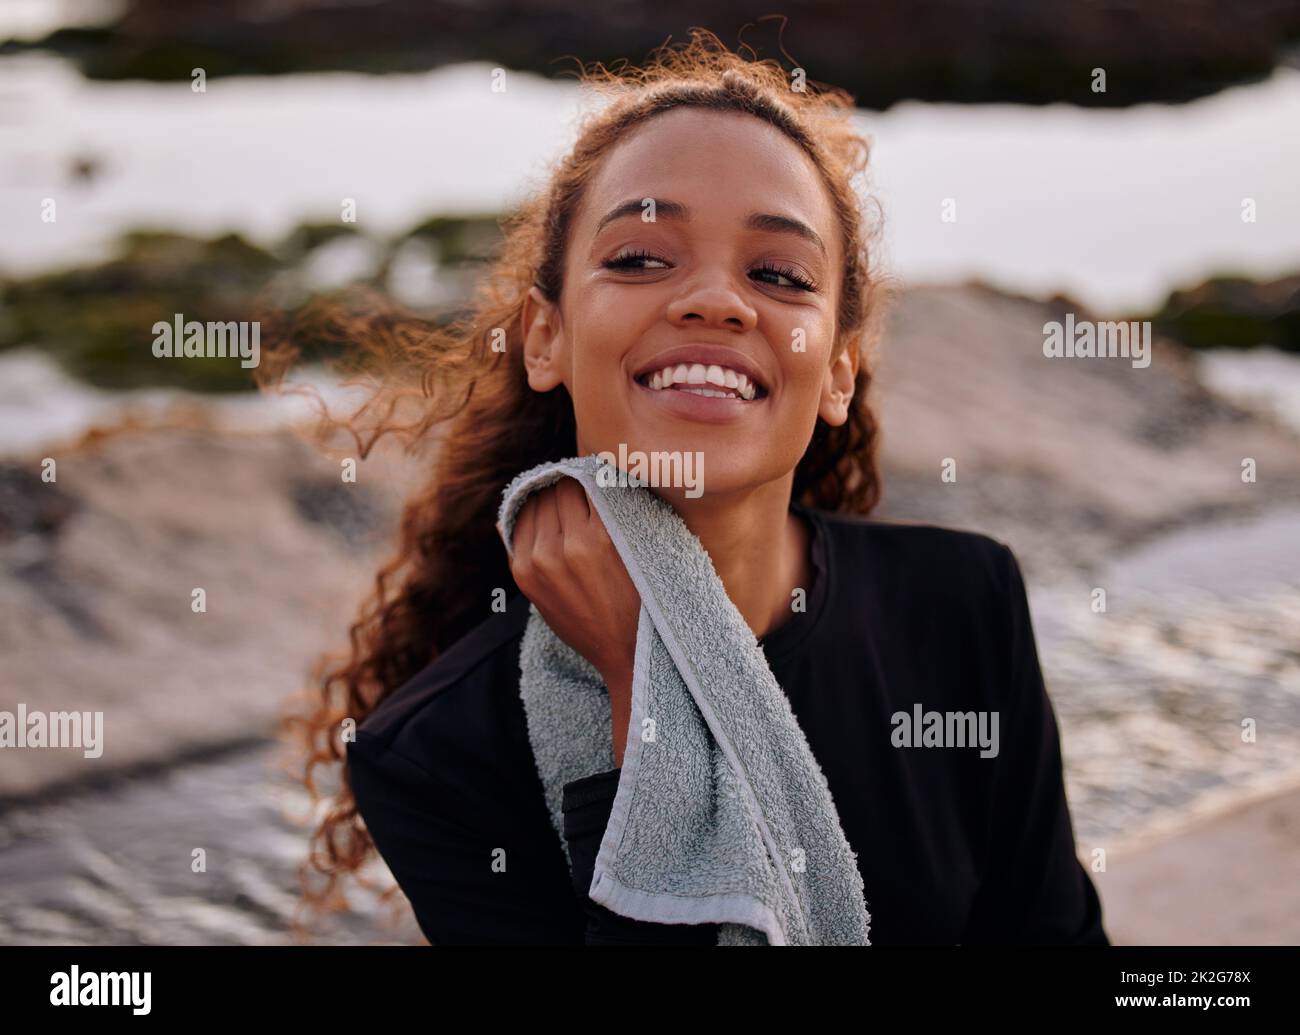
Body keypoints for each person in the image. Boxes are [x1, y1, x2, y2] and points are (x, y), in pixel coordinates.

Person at [269, 29, 1108, 946]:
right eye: (638, 258)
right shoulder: (437, 750)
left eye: (779, 274)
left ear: (836, 371)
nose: (716, 299)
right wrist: (642, 688)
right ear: (544, 337)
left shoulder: (965, 603)